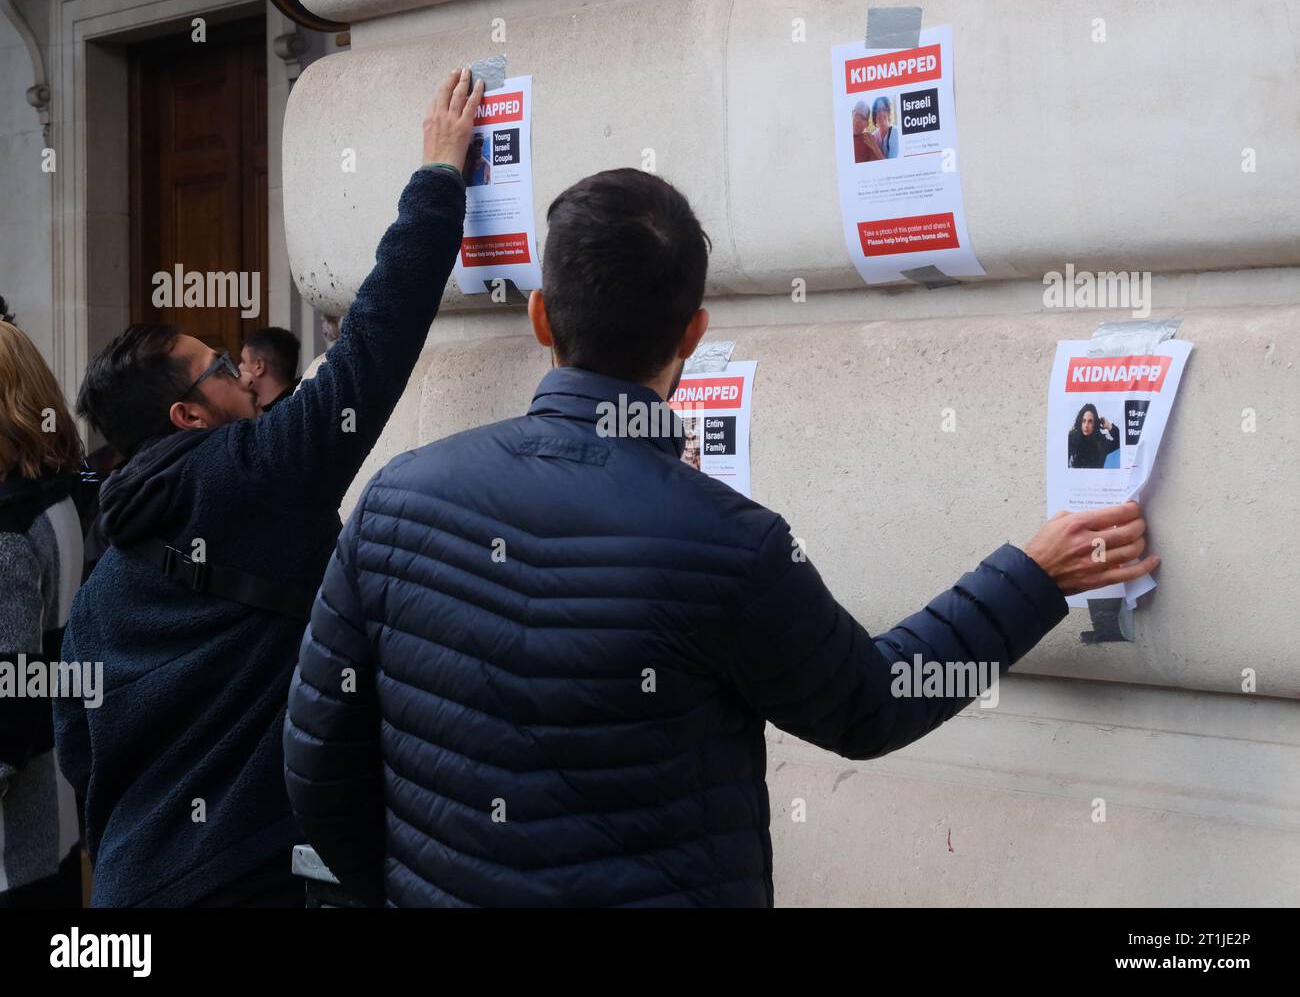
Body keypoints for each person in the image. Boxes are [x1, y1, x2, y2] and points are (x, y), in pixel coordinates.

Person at [283, 168, 1159, 908]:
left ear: (542, 316)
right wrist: (1035, 575)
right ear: (694, 334)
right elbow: (870, 705)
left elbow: (318, 759)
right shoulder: (726, 543)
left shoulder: (396, 498)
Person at [54, 67, 484, 908]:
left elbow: (78, 750)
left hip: (131, 891)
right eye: (219, 368)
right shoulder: (245, 475)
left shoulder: (108, 572)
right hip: (246, 881)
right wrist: (437, 177)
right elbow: (372, 346)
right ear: (187, 413)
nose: (245, 375)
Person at [0, 320, 84, 907]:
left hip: (13, 841)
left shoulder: (8, 529)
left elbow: (11, 698)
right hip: (56, 808)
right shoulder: (62, 493)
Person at [239, 326, 301, 413]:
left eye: (243, 361)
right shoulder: (301, 406)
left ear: (259, 366)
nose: (239, 367)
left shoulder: (267, 421)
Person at [1068, 403, 1121, 469]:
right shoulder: (1071, 439)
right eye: (1084, 421)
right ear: (1080, 422)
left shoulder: (1102, 443)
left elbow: (1121, 441)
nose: (1086, 425)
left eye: (1090, 421)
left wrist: (1109, 426)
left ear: (1095, 423)